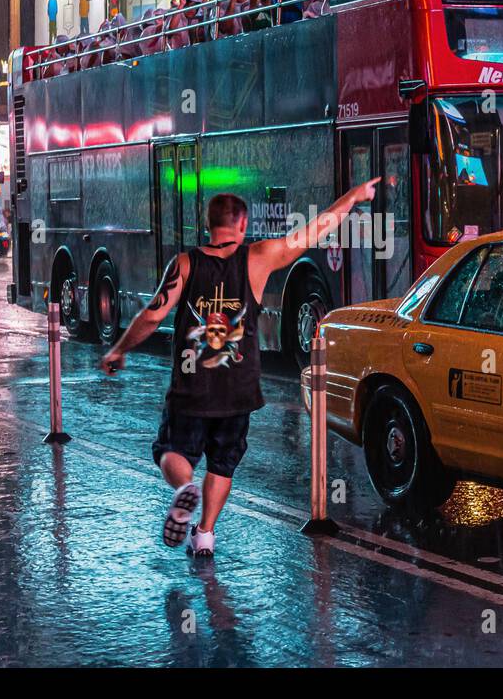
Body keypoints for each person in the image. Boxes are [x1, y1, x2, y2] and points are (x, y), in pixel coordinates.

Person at [100, 178, 381, 557]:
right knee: (223, 463)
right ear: (243, 225)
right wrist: (355, 196)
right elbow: (316, 230)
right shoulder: (260, 257)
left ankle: (185, 487)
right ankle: (205, 535)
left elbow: (152, 316)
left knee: (170, 450)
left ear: (208, 224)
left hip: (192, 385)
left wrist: (119, 349)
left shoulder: (184, 262)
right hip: (239, 388)